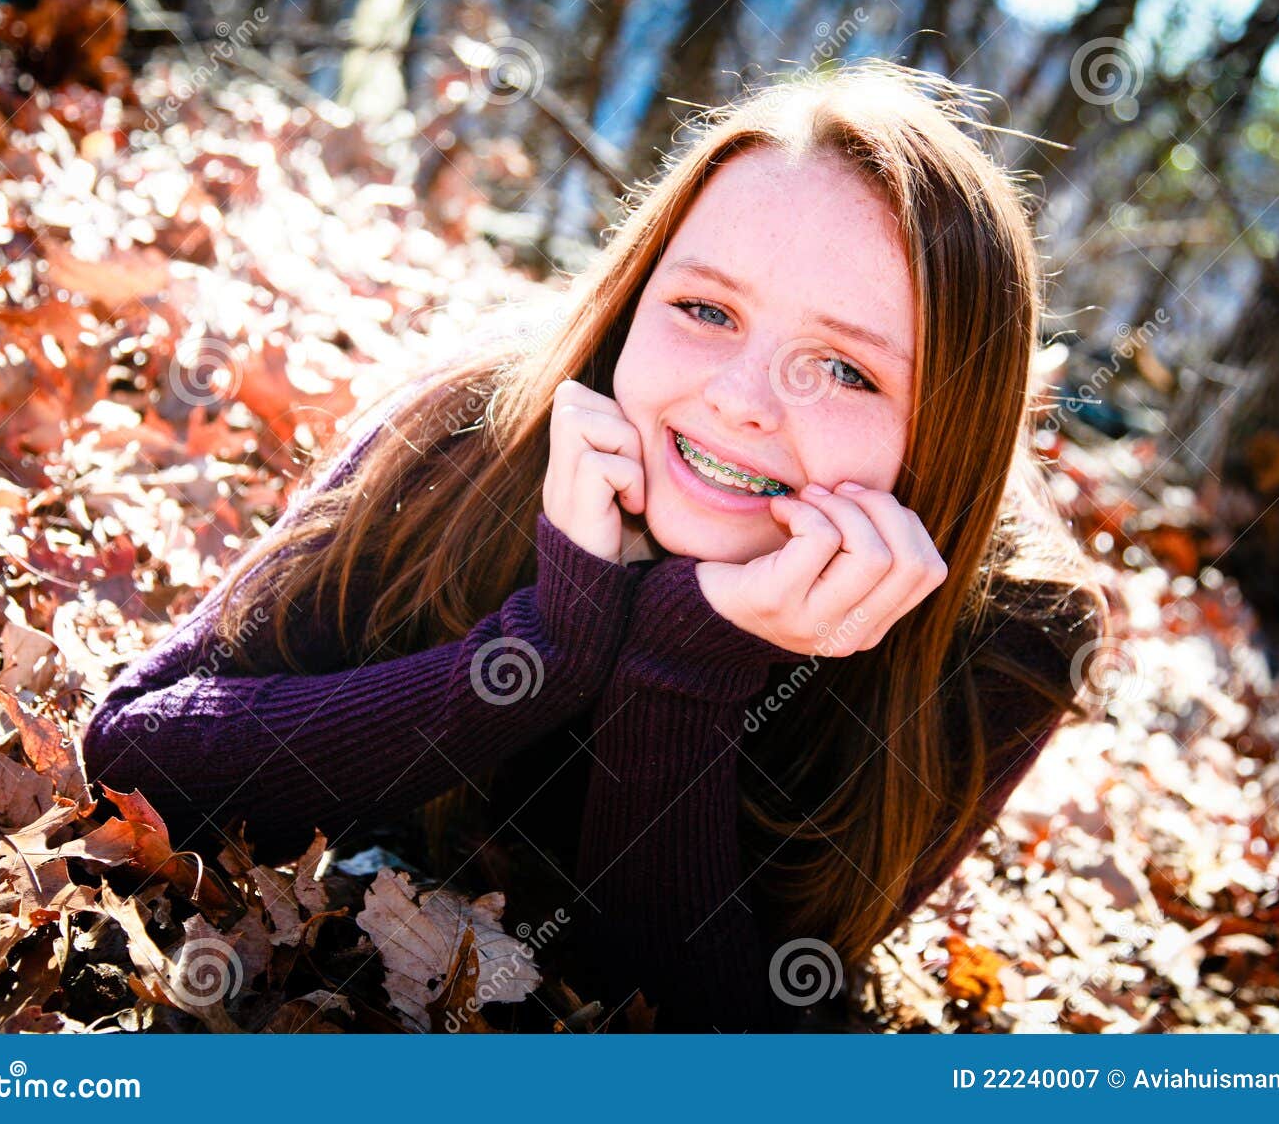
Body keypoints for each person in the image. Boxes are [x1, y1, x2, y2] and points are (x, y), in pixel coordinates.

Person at [83, 60, 1105, 1032]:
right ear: (635, 295)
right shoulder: (474, 427)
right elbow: (135, 753)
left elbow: (711, 1038)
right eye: (704, 308)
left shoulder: (1011, 632)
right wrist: (539, 650)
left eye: (844, 369)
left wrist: (679, 663)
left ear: (949, 432)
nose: (737, 401)